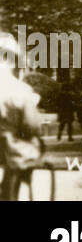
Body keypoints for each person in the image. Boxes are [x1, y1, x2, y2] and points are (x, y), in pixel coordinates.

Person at [0, 32, 45, 201]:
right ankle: (10, 193)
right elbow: (32, 126)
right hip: (9, 147)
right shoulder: (20, 90)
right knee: (24, 155)